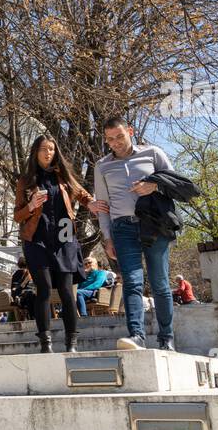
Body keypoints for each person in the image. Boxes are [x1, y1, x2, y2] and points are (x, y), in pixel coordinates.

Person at [90, 118, 177, 351]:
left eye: (120, 136)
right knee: (132, 282)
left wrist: (155, 186)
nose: (116, 142)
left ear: (130, 131)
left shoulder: (153, 153)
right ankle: (136, 336)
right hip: (123, 228)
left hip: (153, 225)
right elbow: (102, 206)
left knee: (160, 283)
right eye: (110, 139)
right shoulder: (102, 166)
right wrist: (107, 238)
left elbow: (177, 184)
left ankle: (166, 338)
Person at [12, 134, 94, 353]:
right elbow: (17, 216)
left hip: (64, 238)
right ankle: (45, 344)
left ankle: (71, 343)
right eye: (43, 149)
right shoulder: (26, 180)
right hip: (36, 240)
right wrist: (30, 205)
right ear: (35, 152)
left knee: (68, 292)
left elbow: (82, 194)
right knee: (45, 289)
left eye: (51, 149)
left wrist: (94, 204)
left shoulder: (63, 176)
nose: (48, 153)